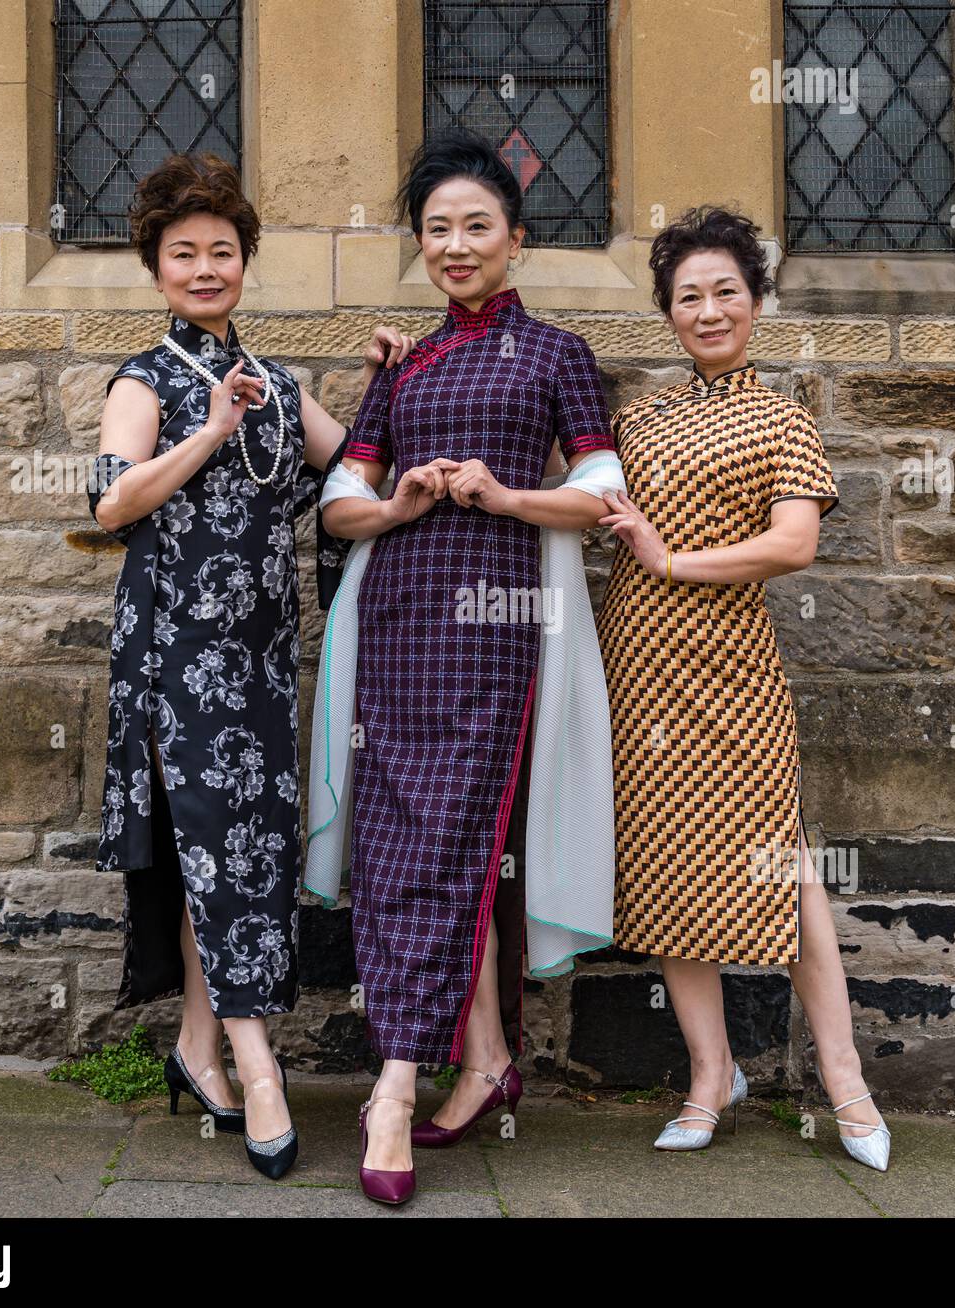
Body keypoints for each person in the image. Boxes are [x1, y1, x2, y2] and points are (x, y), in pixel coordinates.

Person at [306, 128, 626, 1205]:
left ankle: (393, 1085)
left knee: (449, 842)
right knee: (406, 844)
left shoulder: (557, 357)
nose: (455, 244)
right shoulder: (401, 365)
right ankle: (484, 1064)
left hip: (496, 629)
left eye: (475, 226)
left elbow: (601, 498)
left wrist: (503, 495)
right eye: (436, 228)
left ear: (515, 241)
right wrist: (395, 502)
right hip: (397, 621)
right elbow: (341, 503)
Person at [86, 151, 413, 1180]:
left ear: (243, 261)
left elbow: (353, 464)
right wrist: (211, 432)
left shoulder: (276, 384)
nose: (204, 268)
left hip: (266, 660)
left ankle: (197, 1043)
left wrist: (385, 383)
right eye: (183, 252)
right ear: (156, 267)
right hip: (177, 659)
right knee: (216, 851)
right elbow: (110, 500)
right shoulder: (143, 380)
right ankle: (256, 1064)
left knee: (241, 856)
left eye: (221, 251)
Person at [594, 205, 891, 1171]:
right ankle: (709, 1076)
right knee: (674, 868)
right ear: (668, 312)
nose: (709, 310)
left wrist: (672, 560)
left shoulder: (781, 416)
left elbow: (794, 542)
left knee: (787, 874)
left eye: (726, 291)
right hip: (638, 668)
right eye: (689, 297)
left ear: (756, 300)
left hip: (732, 675)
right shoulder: (637, 417)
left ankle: (846, 1082)